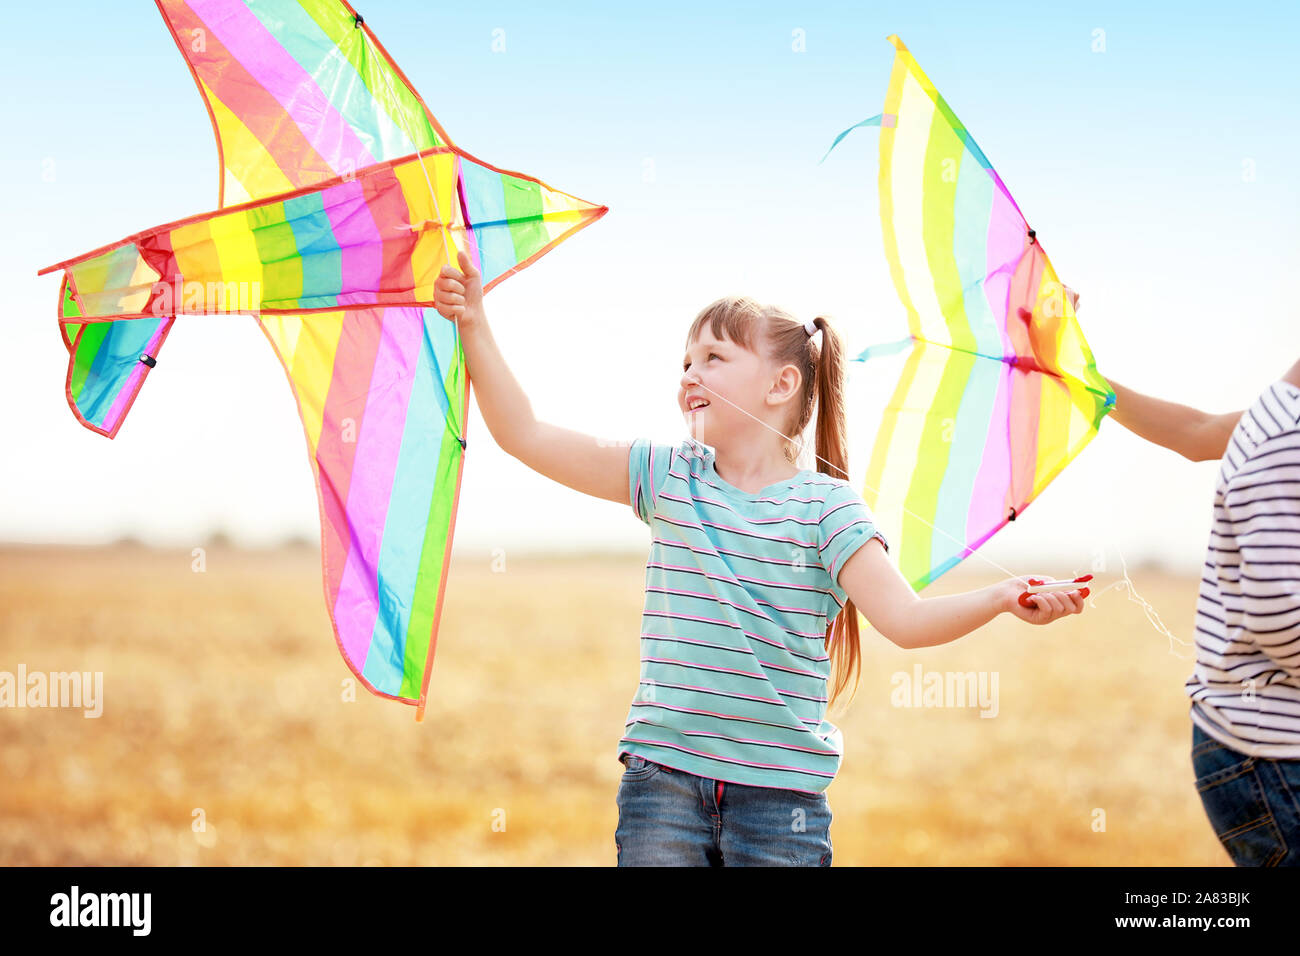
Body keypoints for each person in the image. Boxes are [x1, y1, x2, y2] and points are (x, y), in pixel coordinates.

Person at [433, 251, 1087, 866]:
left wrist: (1003, 598)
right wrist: (474, 321)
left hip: (781, 807)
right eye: (685, 361)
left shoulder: (828, 509)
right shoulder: (665, 474)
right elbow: (524, 433)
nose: (689, 372)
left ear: (781, 384)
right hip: (661, 786)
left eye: (713, 357)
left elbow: (906, 621)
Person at [1106, 357, 1300, 865]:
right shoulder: (1284, 436)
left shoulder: (1275, 421)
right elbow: (1281, 614)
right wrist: (1075, 372)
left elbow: (1200, 433)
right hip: (1272, 751)